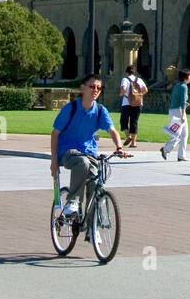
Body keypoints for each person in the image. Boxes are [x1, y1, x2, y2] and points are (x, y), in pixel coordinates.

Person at [50, 74, 129, 219]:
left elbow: (112, 130)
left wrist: (119, 147)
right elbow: (55, 134)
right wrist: (54, 161)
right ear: (83, 88)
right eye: (92, 86)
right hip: (68, 151)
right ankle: (72, 202)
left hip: (89, 152)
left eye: (99, 87)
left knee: (95, 183)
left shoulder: (99, 110)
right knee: (82, 163)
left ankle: (91, 228)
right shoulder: (71, 108)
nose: (96, 90)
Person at [160, 68, 190, 162]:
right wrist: (182, 115)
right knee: (179, 134)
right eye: (189, 76)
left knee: (183, 134)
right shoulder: (184, 86)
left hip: (174, 110)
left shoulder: (178, 85)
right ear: (186, 77)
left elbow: (176, 99)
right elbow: (182, 102)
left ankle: (181, 155)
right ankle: (166, 149)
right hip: (178, 111)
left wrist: (185, 104)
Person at [119, 64, 147, 148]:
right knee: (134, 122)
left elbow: (123, 88)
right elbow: (146, 90)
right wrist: (139, 95)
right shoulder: (140, 80)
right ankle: (134, 143)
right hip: (138, 103)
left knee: (123, 121)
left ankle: (128, 136)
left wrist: (121, 93)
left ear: (127, 72)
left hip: (127, 103)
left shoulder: (125, 79)